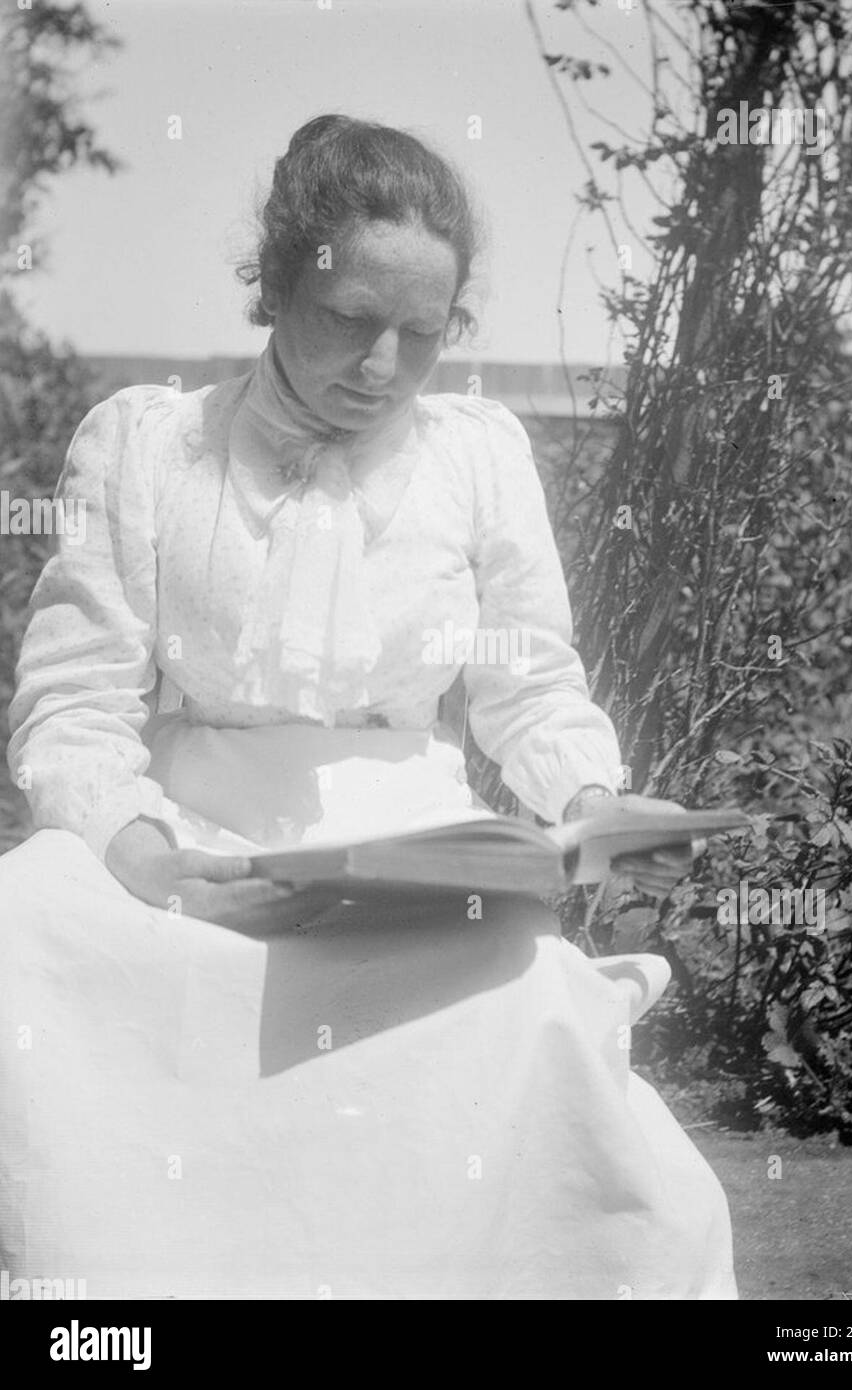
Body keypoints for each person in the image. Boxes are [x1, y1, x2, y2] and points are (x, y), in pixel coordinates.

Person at [0, 115, 736, 1299]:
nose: (383, 369)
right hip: (193, 858)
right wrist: (152, 860)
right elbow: (74, 709)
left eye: (423, 335)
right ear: (278, 280)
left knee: (543, 1024)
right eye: (350, 322)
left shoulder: (478, 457)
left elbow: (529, 682)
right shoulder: (147, 447)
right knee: (26, 917)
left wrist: (592, 805)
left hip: (416, 867)